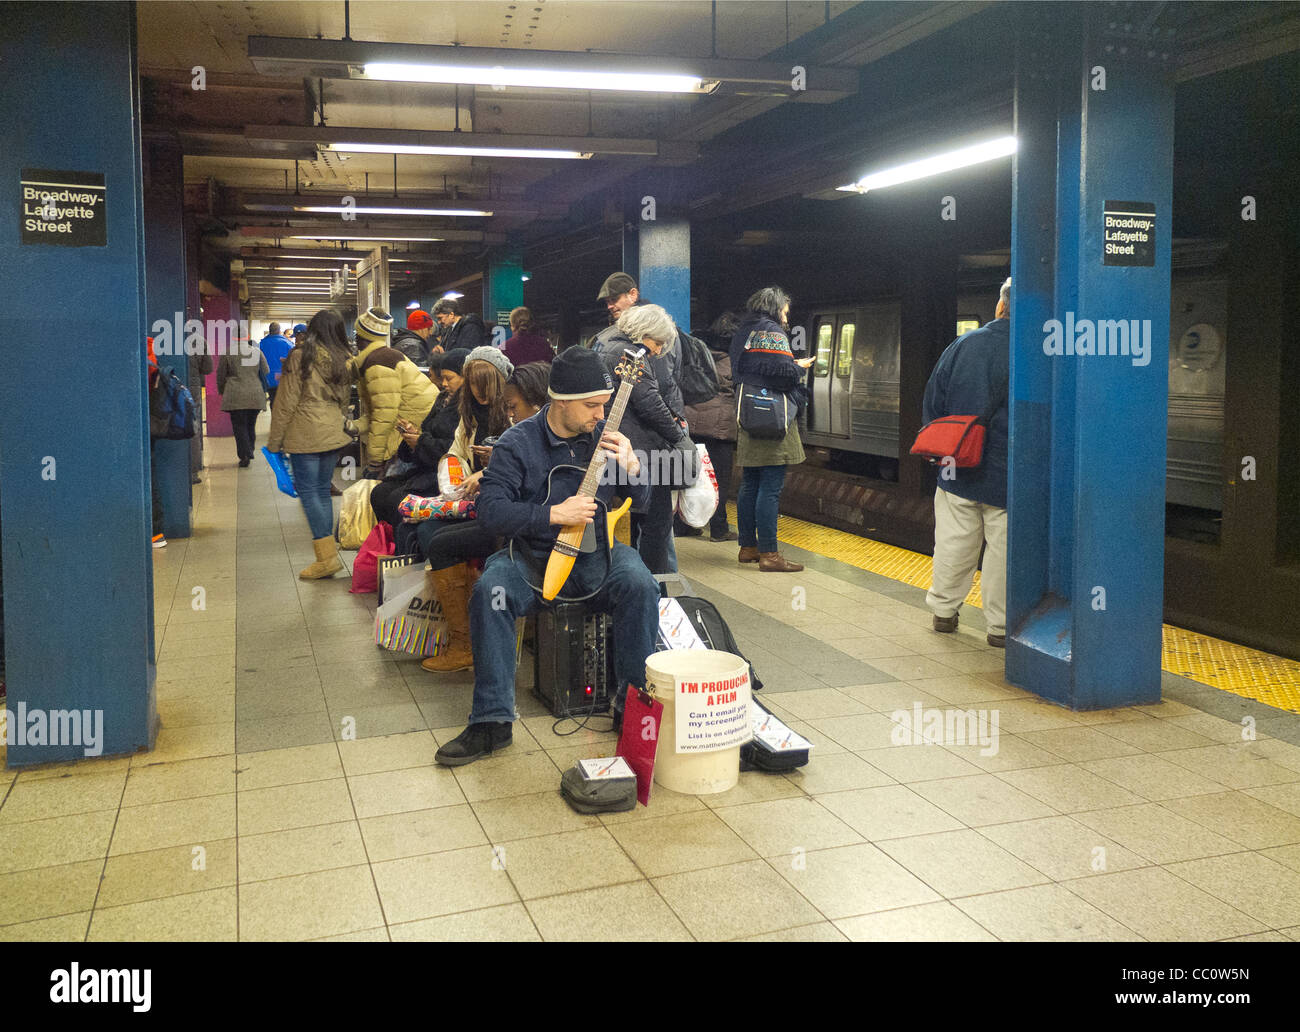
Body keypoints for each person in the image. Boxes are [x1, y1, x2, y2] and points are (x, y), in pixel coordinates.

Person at [433, 347, 658, 766]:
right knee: (491, 592)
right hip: (533, 557)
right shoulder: (519, 442)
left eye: (604, 405)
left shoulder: (605, 437)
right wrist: (553, 514)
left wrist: (633, 467)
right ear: (560, 401)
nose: (599, 414)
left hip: (597, 556)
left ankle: (632, 708)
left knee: (641, 584)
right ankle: (492, 721)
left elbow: (640, 503)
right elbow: (491, 511)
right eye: (591, 406)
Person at [922, 277, 1011, 647]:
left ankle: (944, 612)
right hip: (1010, 470)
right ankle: (1001, 628)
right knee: (1004, 550)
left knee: (953, 543)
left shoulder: (964, 344)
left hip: (957, 464)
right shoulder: (1041, 348)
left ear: (1000, 306)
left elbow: (934, 401)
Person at [416, 347, 515, 674]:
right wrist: (453, 470)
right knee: (425, 530)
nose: (479, 391)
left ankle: (464, 642)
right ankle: (460, 630)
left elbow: (523, 463)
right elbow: (455, 452)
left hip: (507, 512)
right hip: (475, 502)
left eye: (485, 383)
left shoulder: (518, 413)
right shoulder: (468, 414)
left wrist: (488, 470)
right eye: (473, 383)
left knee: (440, 542)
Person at [595, 304, 688, 576]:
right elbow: (649, 403)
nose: (658, 350)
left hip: (619, 445)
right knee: (656, 525)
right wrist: (680, 438)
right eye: (657, 343)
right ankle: (653, 587)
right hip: (638, 451)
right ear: (643, 332)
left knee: (632, 525)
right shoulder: (628, 353)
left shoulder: (605, 342)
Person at [266, 310, 354, 579]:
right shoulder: (344, 358)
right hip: (331, 431)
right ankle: (327, 553)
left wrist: (274, 442)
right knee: (321, 490)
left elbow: (286, 402)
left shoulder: (300, 356)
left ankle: (326, 558)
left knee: (308, 492)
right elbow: (343, 400)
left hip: (305, 432)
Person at [730, 286, 813, 573]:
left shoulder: (744, 331)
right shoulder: (771, 331)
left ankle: (748, 546)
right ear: (776, 308)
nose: (786, 317)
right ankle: (770, 553)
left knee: (750, 483)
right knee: (771, 487)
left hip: (748, 415)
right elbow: (781, 374)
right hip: (772, 418)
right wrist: (799, 366)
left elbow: (752, 370)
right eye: (785, 311)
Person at [367, 349, 468, 552]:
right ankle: (389, 550)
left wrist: (420, 442)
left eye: (450, 378)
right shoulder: (442, 400)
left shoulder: (466, 408)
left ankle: (406, 556)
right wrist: (413, 436)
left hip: (446, 477)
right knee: (379, 492)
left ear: (465, 377)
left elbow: (453, 450)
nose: (444, 384)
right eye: (443, 378)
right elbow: (429, 430)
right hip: (425, 466)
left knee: (398, 499)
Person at [349, 307, 439, 479]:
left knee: (391, 491)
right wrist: (353, 427)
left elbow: (384, 417)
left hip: (412, 431)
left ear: (361, 336)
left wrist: (375, 461)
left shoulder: (379, 364)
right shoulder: (380, 358)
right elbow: (379, 412)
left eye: (357, 334)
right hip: (415, 427)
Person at [681, 311, 740, 542]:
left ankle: (683, 523)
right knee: (720, 481)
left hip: (692, 424)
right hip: (719, 429)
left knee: (690, 477)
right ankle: (719, 528)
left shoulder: (699, 354)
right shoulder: (733, 360)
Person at [594, 271, 684, 417]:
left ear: (633, 294)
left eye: (614, 299)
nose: (610, 306)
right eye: (607, 302)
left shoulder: (653, 329)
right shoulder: (618, 333)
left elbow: (660, 383)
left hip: (662, 418)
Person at [216, 346, 270, 468]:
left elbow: (221, 374)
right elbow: (266, 370)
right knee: (251, 424)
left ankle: (245, 454)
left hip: (236, 394)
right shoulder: (257, 351)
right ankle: (249, 449)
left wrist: (221, 390)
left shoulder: (228, 352)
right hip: (255, 393)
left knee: (239, 426)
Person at [146, 336, 166, 548]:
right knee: (150, 475)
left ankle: (153, 531)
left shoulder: (134, 356)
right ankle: (155, 531)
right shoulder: (150, 356)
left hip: (134, 428)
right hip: (150, 423)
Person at [258, 321, 294, 406]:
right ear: (279, 331)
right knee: (282, 403)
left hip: (267, 379)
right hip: (283, 378)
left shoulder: (261, 344)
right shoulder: (289, 344)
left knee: (273, 400)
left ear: (270, 331)